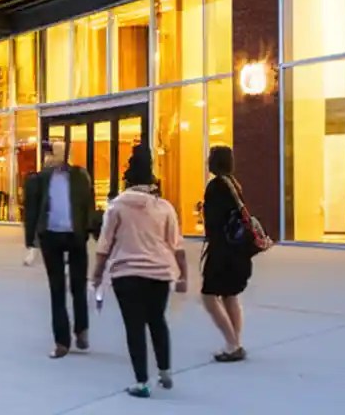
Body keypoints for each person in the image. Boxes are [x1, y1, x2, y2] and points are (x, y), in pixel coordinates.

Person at [90, 144, 187, 398]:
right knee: (157, 321)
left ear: (128, 178)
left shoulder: (116, 207)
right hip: (159, 273)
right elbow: (177, 245)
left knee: (134, 327)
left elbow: (104, 245)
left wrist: (97, 273)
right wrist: (183, 275)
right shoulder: (165, 207)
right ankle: (165, 371)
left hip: (127, 275)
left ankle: (142, 382)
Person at [23, 141, 96, 359]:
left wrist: (90, 229)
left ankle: (81, 330)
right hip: (51, 236)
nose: (49, 158)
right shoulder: (39, 179)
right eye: (48, 154)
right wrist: (31, 241)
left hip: (75, 236)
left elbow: (88, 205)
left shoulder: (79, 176)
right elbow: (32, 209)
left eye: (53, 153)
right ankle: (61, 341)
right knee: (57, 289)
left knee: (78, 285)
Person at [201, 145, 253, 363]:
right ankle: (236, 342)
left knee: (209, 296)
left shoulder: (215, 186)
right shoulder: (234, 184)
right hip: (238, 251)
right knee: (230, 294)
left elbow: (214, 222)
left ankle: (231, 342)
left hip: (222, 251)